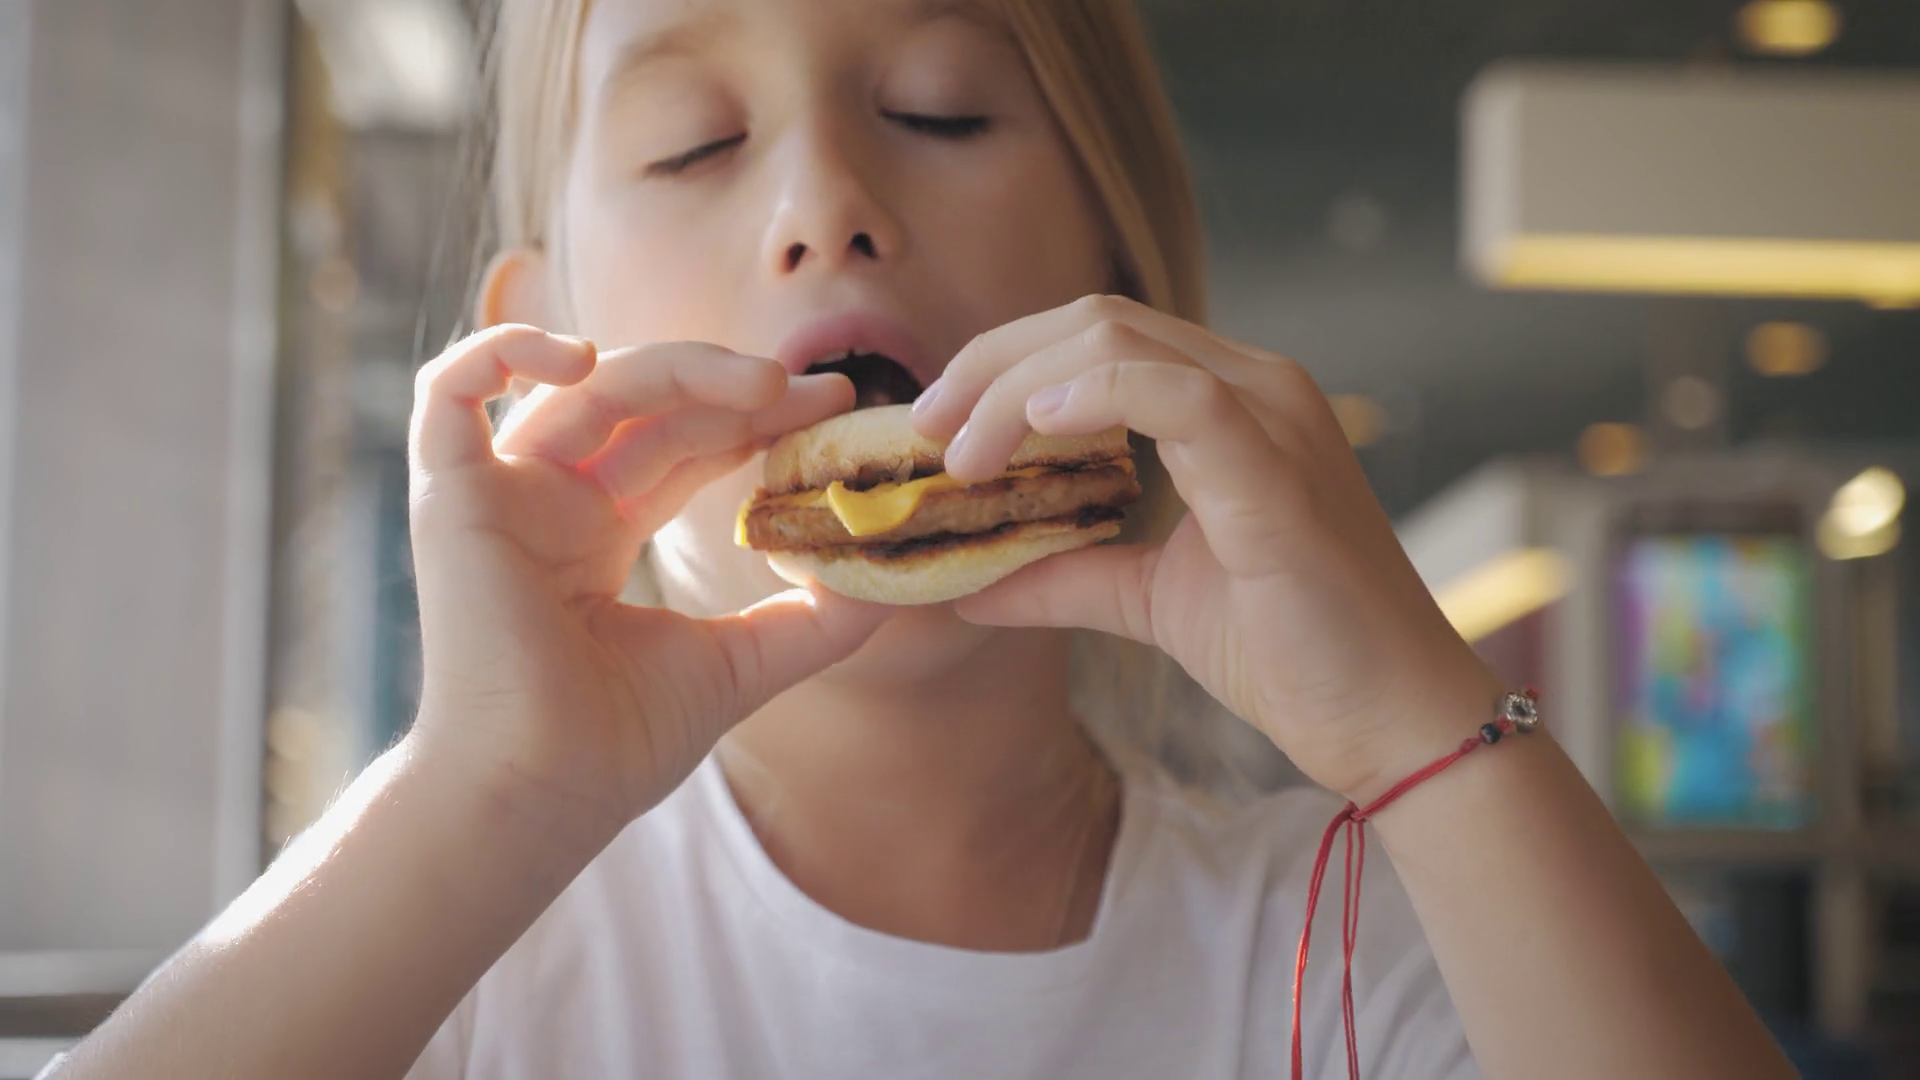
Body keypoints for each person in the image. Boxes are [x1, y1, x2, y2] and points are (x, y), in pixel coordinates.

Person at [50, 0, 1795, 1077]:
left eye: (946, 108)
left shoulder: (1346, 943)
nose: (824, 205)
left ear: (1127, 278)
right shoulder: (452, 951)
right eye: (696, 143)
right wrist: (486, 788)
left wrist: (1425, 730)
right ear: (547, 344)